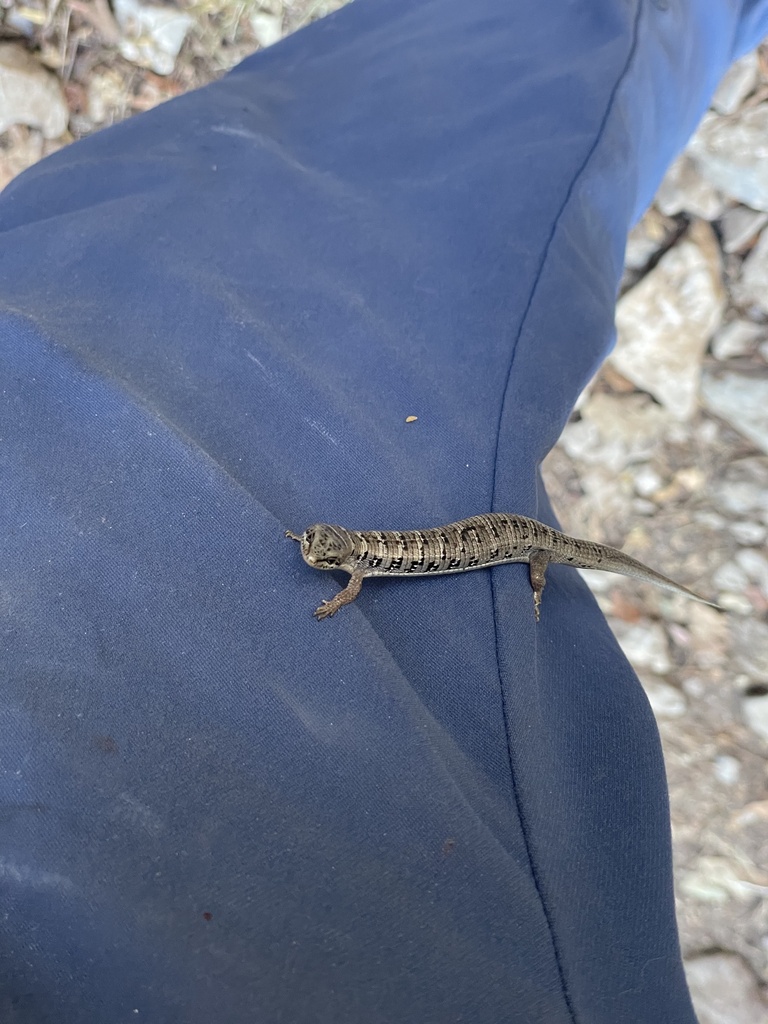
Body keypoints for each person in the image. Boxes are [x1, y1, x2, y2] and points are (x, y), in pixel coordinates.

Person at [1, 2, 766, 1021]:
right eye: (320, 554)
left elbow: (351, 587)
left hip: (511, 548)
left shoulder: (358, 568)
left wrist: (336, 605)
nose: (318, 557)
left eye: (321, 556)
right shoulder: (355, 550)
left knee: (540, 548)